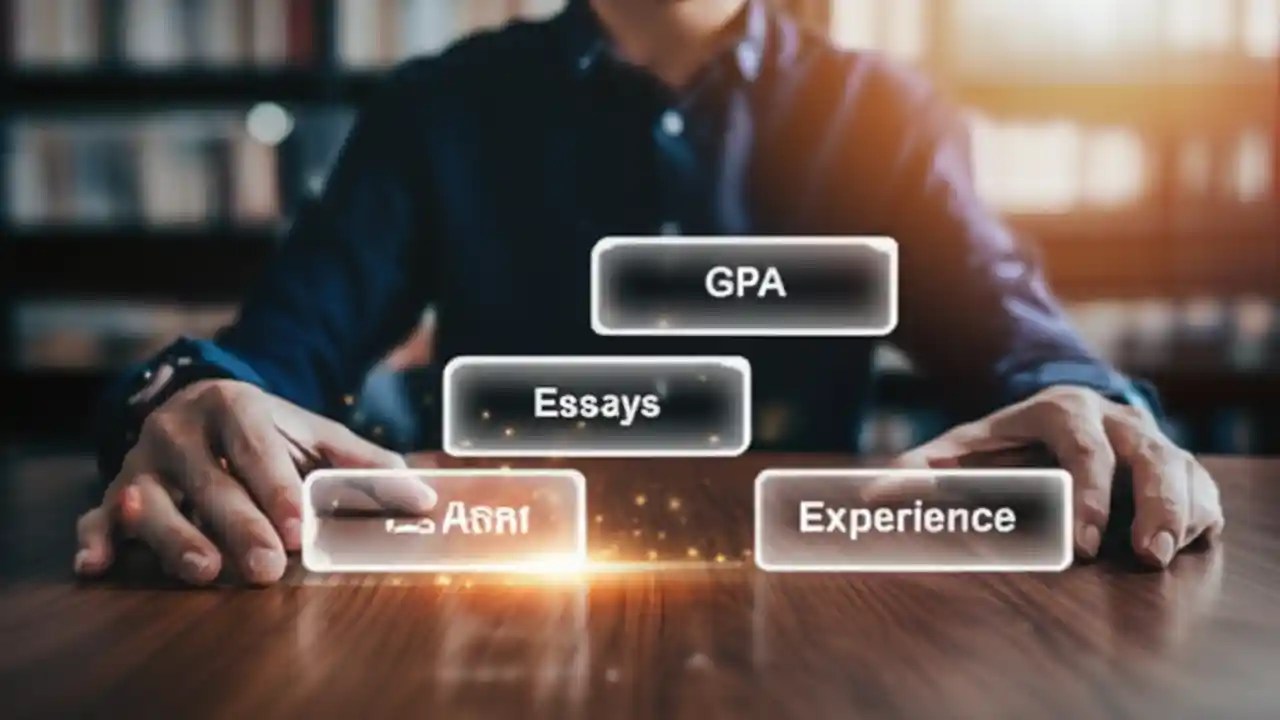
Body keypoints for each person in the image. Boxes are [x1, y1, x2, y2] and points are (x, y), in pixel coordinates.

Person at [74, 0, 1223, 586]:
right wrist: (188, 410)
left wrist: (1090, 408)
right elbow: (277, 353)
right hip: (483, 609)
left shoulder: (883, 115)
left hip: (807, 624)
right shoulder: (439, 108)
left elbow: (1013, 329)